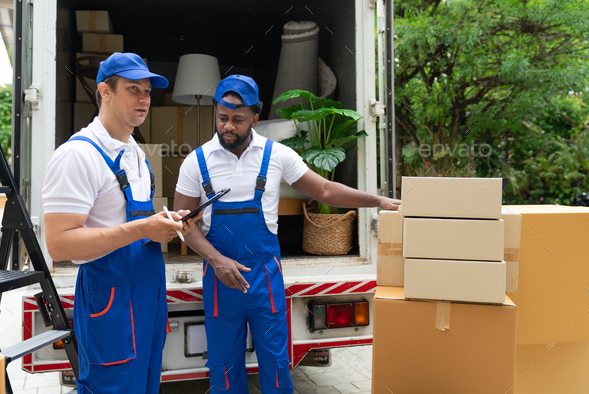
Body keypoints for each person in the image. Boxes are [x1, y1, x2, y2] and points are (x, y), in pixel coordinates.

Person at [174, 75, 401, 393]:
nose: (228, 126)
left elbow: (324, 189)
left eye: (238, 120)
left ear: (254, 118)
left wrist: (377, 200)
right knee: (224, 372)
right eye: (222, 117)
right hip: (220, 281)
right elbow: (183, 223)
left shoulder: (276, 155)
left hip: (265, 282)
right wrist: (216, 260)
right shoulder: (196, 163)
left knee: (277, 368)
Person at [42, 52, 199, 394]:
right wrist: (143, 229)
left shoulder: (136, 154)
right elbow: (59, 243)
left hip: (148, 291)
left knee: (145, 385)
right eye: (133, 89)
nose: (144, 99)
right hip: (110, 297)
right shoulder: (77, 156)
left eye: (147, 91)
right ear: (105, 91)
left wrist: (167, 223)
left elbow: (132, 222)